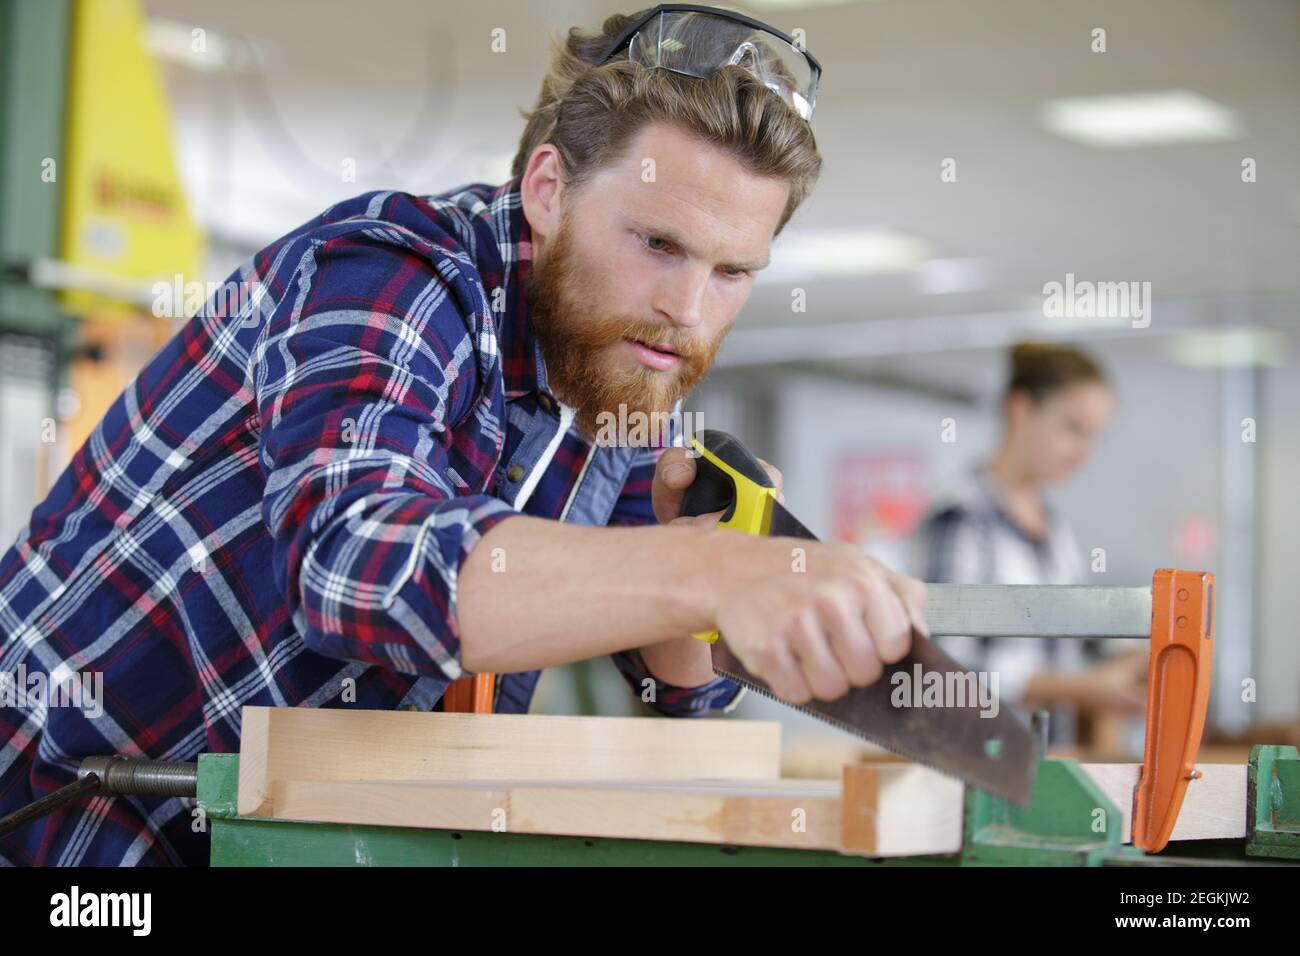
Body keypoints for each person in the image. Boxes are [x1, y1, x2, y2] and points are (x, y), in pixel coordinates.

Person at [0, 5, 926, 865]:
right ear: (549, 188)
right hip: (54, 813)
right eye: (657, 244)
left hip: (260, 835)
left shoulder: (619, 375)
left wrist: (709, 560)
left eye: (733, 272)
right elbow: (353, 567)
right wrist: (707, 575)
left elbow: (673, 689)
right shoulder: (393, 273)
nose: (686, 310)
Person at [913, 343, 1145, 744]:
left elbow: (1076, 643)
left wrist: (1131, 657)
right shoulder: (963, 518)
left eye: (1096, 438)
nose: (1085, 453)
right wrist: (1080, 688)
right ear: (1021, 410)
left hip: (1048, 768)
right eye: (1073, 429)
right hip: (978, 766)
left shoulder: (1054, 532)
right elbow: (942, 669)